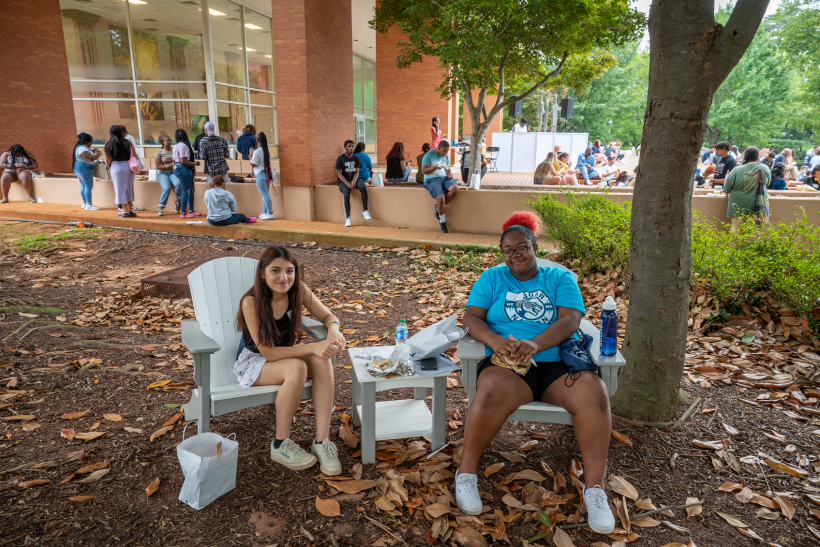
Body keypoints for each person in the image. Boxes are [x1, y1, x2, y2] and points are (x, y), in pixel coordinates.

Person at [455, 211, 616, 534]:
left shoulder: (559, 279)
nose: (515, 255)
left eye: (521, 248)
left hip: (558, 362)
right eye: (508, 250)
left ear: (534, 246)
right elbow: (471, 317)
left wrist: (536, 343)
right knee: (489, 392)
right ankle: (466, 475)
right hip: (509, 363)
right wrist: (496, 342)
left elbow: (571, 320)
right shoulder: (492, 279)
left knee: (594, 395)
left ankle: (595, 491)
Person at [235, 246, 345, 474]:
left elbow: (328, 315)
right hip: (255, 362)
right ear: (262, 273)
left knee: (321, 360)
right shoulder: (251, 302)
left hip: (284, 357)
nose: (283, 277)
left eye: (289, 271)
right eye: (275, 270)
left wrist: (334, 330)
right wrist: (314, 346)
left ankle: (322, 442)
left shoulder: (298, 291)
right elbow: (269, 354)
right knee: (298, 366)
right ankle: (280, 444)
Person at [723, 146, 770, 230]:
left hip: (737, 203)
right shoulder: (765, 168)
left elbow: (727, 188)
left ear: (745, 156)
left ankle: (733, 243)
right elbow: (767, 184)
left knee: (735, 227)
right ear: (757, 156)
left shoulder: (736, 170)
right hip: (757, 203)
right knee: (753, 228)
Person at [422, 140, 458, 233]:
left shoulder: (445, 156)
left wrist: (450, 175)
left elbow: (447, 168)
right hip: (431, 179)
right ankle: (442, 222)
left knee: (455, 189)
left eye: (447, 151)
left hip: (444, 178)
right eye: (444, 151)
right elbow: (423, 171)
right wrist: (435, 167)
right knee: (440, 197)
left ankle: (438, 207)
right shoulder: (428, 155)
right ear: (439, 148)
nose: (446, 153)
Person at [335, 140, 370, 227]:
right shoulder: (340, 159)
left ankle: (365, 211)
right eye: (349, 146)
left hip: (354, 179)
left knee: (363, 186)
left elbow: (357, 172)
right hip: (343, 180)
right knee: (346, 194)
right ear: (345, 148)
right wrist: (347, 183)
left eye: (352, 146)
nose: (351, 148)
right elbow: (339, 173)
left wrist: (354, 181)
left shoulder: (356, 158)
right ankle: (348, 218)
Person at [103, 126, 136, 217]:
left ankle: (125, 212)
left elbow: (108, 160)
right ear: (122, 132)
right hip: (128, 167)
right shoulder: (128, 143)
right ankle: (130, 211)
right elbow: (134, 155)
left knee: (119, 190)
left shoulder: (109, 144)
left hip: (116, 167)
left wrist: (107, 168)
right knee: (129, 190)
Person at [173, 128, 201, 218]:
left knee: (191, 190)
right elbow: (184, 160)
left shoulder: (175, 146)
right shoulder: (183, 146)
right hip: (183, 168)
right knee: (186, 190)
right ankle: (183, 213)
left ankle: (191, 210)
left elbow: (174, 160)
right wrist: (195, 163)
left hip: (177, 167)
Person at [250, 132, 275, 220]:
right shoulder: (268, 151)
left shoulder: (257, 152)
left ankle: (270, 213)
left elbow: (253, 164)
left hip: (260, 174)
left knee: (265, 195)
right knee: (265, 194)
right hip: (267, 174)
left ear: (258, 141)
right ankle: (264, 212)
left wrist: (250, 155)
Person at [72, 133, 101, 210]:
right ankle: (89, 205)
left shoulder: (81, 147)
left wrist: (93, 151)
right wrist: (99, 153)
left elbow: (87, 155)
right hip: (84, 168)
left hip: (80, 167)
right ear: (86, 142)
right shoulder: (81, 148)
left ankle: (84, 204)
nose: (91, 144)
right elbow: (91, 158)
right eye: (91, 142)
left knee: (84, 186)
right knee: (88, 186)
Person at [199, 121, 229, 188]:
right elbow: (227, 155)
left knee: (212, 191)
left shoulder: (203, 141)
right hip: (223, 168)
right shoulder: (222, 140)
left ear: (206, 130)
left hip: (211, 169)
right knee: (222, 190)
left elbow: (203, 157)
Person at [154, 135, 180, 216]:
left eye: (170, 140)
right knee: (166, 188)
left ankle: (178, 202)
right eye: (167, 140)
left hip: (174, 172)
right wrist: (169, 166)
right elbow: (158, 166)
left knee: (178, 184)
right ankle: (161, 208)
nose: (169, 142)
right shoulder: (159, 152)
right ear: (163, 142)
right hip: (163, 173)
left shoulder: (174, 150)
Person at [120, 126, 142, 212]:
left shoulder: (111, 142)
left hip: (115, 166)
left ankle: (122, 208)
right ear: (124, 132)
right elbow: (134, 154)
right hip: (127, 165)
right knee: (128, 188)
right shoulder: (128, 140)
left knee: (120, 188)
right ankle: (129, 209)